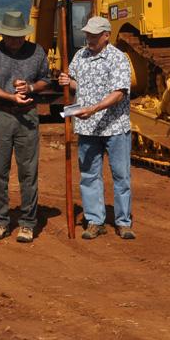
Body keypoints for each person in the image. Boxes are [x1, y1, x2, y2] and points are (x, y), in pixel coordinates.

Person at [58, 16, 134, 240]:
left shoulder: (118, 58)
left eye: (93, 35)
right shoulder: (80, 56)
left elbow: (119, 93)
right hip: (87, 127)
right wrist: (66, 82)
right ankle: (94, 220)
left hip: (115, 126)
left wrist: (94, 108)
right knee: (89, 175)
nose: (89, 39)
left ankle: (123, 222)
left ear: (106, 36)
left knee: (121, 176)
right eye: (87, 35)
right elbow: (76, 84)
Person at [0, 11, 51, 243]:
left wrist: (29, 88)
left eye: (19, 36)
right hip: (0, 114)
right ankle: (0, 221)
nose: (15, 40)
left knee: (28, 171)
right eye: (11, 36)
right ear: (3, 34)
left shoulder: (37, 51)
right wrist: (10, 97)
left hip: (28, 115)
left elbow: (45, 79)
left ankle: (27, 223)